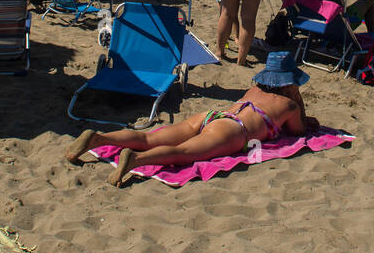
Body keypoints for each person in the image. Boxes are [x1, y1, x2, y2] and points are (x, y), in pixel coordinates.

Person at [66, 51, 318, 187]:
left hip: (213, 115)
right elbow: (298, 132)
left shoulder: (254, 90)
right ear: (290, 81)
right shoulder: (288, 104)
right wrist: (297, 99)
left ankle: (99, 138)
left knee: (147, 136)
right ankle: (135, 159)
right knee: (184, 152)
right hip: (234, 130)